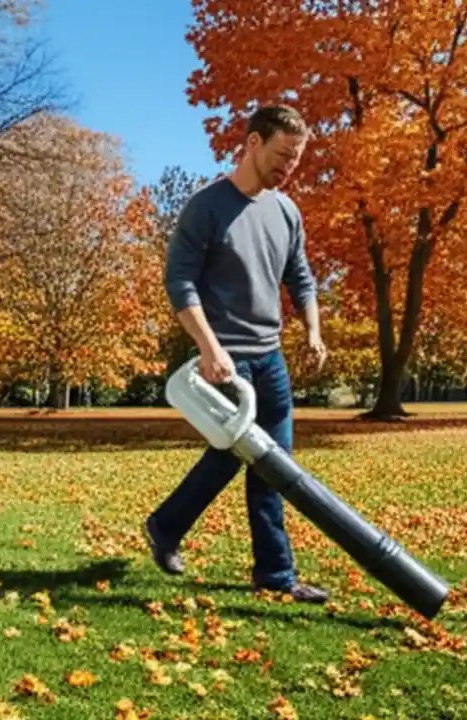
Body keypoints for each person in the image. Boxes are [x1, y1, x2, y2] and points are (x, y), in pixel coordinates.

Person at [144, 104, 330, 603]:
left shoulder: (286, 212)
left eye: (296, 159)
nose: (289, 167)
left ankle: (271, 573)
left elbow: (301, 277)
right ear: (252, 143)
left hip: (271, 359)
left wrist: (313, 331)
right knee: (238, 457)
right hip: (227, 359)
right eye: (282, 155)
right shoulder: (206, 207)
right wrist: (209, 348)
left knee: (275, 465)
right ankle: (172, 529)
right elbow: (179, 282)